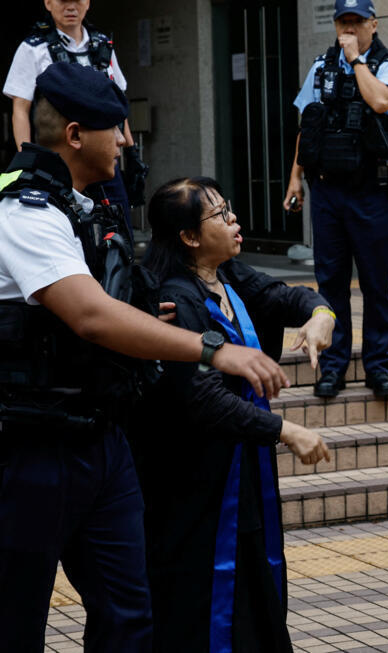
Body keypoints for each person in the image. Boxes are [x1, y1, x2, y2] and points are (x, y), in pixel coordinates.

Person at [0, 62, 288, 653]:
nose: (126, 140)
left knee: (131, 616)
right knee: (15, 621)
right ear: (75, 135)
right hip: (32, 449)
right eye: (115, 128)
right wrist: (212, 349)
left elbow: (112, 307)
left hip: (103, 441)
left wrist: (144, 316)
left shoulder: (85, 207)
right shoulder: (25, 213)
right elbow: (90, 315)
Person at [130, 177, 332, 652]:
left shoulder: (229, 276)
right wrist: (284, 430)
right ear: (189, 237)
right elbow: (201, 398)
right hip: (193, 485)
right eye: (220, 215)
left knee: (254, 591)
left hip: (240, 476)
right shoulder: (175, 299)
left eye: (229, 209)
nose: (234, 219)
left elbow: (287, 296)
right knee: (200, 606)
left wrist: (321, 316)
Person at [283, 0, 388, 400]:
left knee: (375, 282)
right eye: (343, 22)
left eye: (357, 21)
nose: (349, 29)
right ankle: (333, 367)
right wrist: (295, 179)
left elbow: (382, 102)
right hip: (327, 191)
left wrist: (356, 61)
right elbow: (308, 125)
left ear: (374, 24)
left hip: (371, 191)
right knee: (331, 282)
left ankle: (378, 366)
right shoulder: (321, 66)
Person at [3, 0, 139, 232]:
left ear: (87, 2)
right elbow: (21, 109)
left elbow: (117, 105)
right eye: (63, 1)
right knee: (67, 224)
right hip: (63, 160)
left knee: (118, 226)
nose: (71, 7)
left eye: (77, 0)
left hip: (103, 156)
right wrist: (26, 158)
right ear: (48, 3)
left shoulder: (103, 44)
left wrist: (131, 152)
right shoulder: (33, 48)